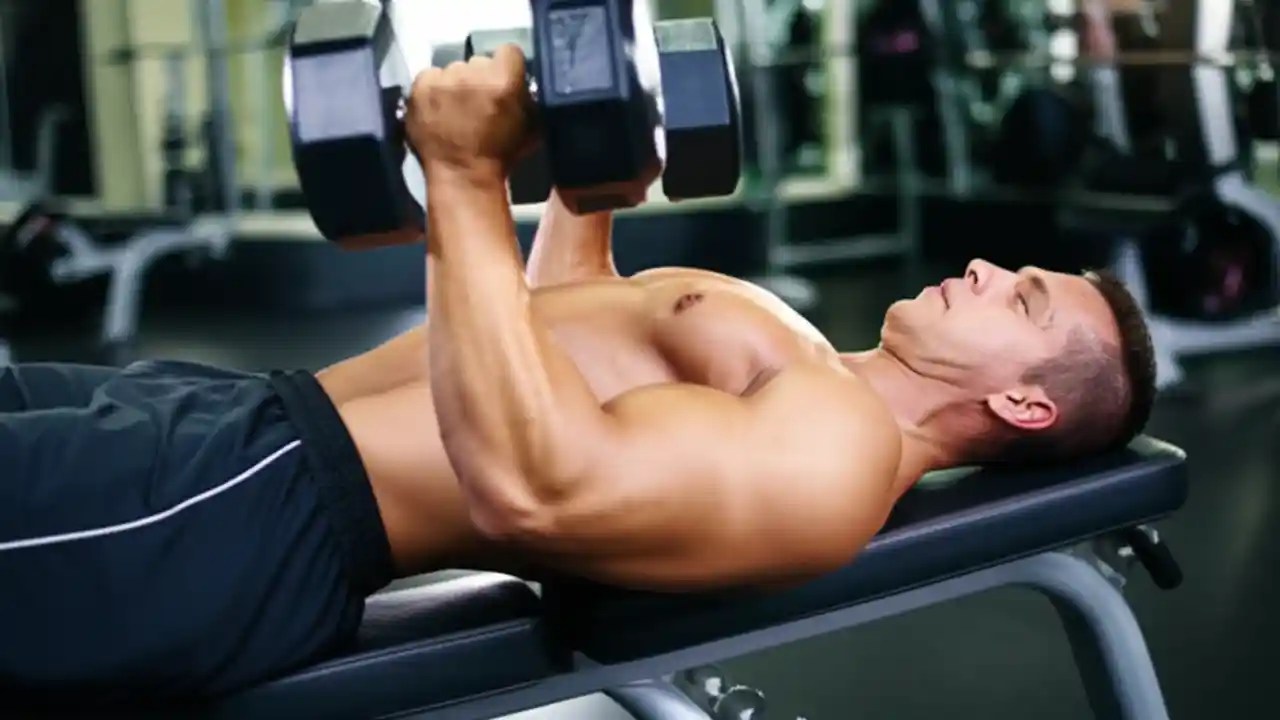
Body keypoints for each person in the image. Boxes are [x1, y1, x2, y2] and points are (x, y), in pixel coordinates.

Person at [0, 47, 1157, 707]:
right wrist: (580, 195)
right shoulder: (821, 378)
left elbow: (538, 486)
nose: (983, 265)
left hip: (249, 514)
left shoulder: (835, 457)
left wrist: (459, 177)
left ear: (1022, 404)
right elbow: (562, 342)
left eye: (1022, 298)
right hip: (222, 430)